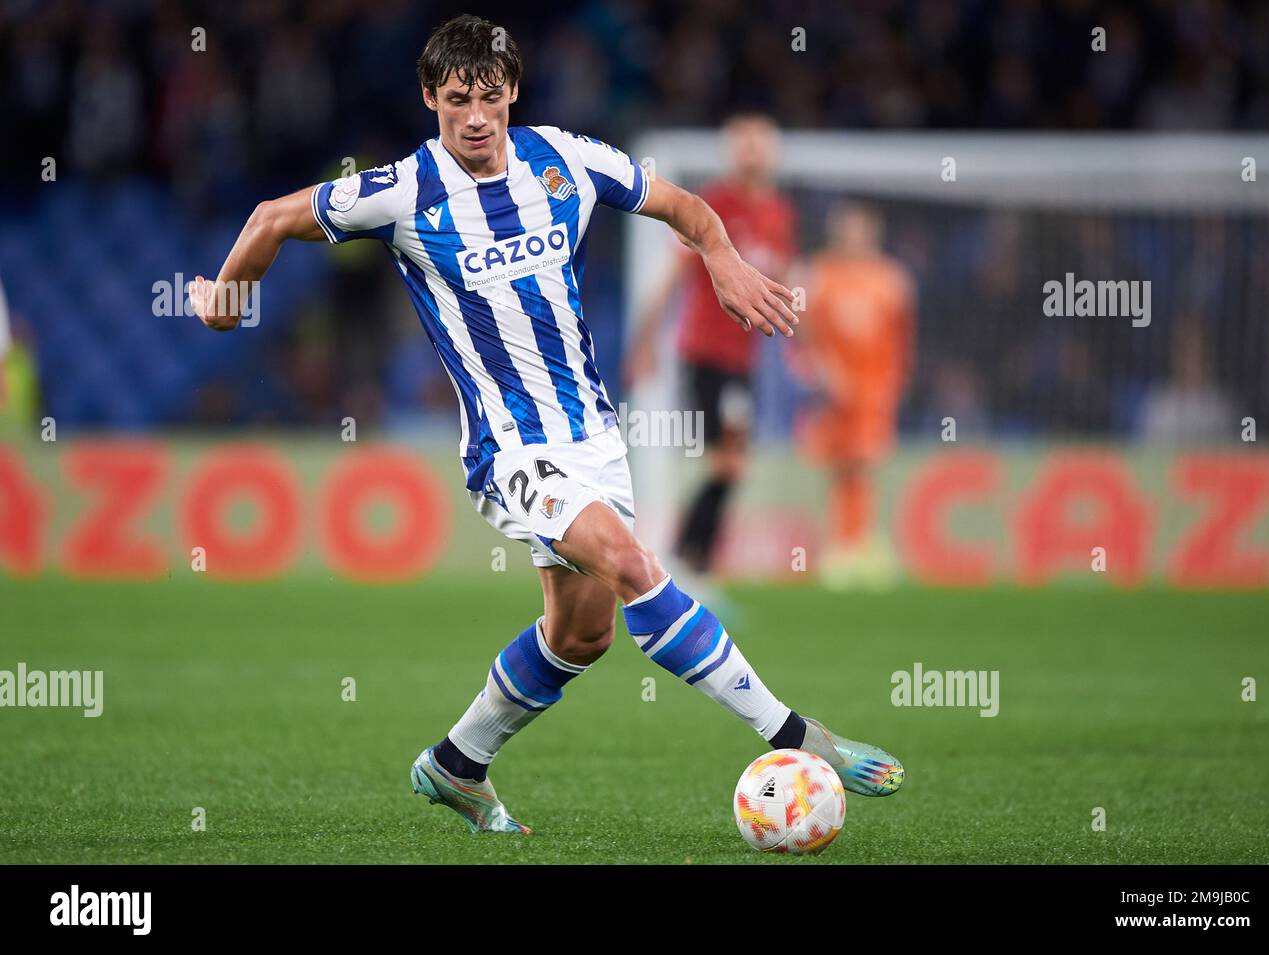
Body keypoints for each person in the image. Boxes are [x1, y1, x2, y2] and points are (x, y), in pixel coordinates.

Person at [189, 14, 903, 834]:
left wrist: (723, 255)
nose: (476, 116)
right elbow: (272, 216)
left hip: (593, 439)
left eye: (490, 96)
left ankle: (457, 765)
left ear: (512, 92)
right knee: (635, 565)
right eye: (457, 99)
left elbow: (684, 206)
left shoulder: (564, 158)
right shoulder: (400, 191)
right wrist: (224, 299)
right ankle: (797, 733)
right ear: (430, 98)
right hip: (508, 449)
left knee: (582, 633)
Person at [624, 114, 796, 576]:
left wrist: (804, 342)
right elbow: (671, 277)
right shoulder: (711, 207)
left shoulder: (779, 214)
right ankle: (686, 560)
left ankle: (694, 562)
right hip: (703, 352)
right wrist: (644, 343)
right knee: (728, 462)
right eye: (743, 144)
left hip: (746, 357)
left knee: (733, 463)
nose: (751, 153)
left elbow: (783, 282)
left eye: (759, 144)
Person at [793, 202, 914, 589]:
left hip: (873, 390)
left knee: (864, 463)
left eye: (860, 230)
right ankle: (842, 548)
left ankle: (858, 545)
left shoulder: (892, 280)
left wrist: (894, 384)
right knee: (839, 464)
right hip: (832, 390)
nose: (853, 237)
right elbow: (799, 330)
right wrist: (820, 372)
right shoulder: (817, 274)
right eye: (847, 229)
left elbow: (901, 341)